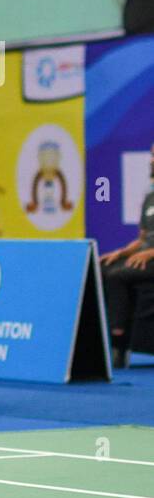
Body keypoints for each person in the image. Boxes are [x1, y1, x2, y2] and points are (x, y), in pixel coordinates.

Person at [99, 142, 154, 368]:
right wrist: (121, 252)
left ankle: (118, 343)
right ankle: (102, 342)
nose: (151, 160)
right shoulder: (150, 197)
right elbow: (142, 237)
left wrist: (150, 253)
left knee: (118, 276)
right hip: (146, 252)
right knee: (102, 269)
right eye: (152, 155)